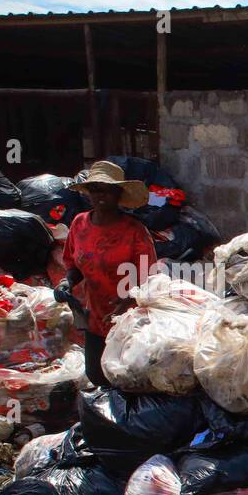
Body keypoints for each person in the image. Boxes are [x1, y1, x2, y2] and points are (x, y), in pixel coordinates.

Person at [55, 161, 157, 386]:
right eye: (95, 189)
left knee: (126, 380)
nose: (100, 195)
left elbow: (149, 278)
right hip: (95, 316)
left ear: (118, 194)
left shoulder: (134, 232)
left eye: (107, 190)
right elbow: (73, 263)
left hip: (128, 322)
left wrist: (128, 300)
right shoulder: (79, 224)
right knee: (96, 374)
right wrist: (67, 282)